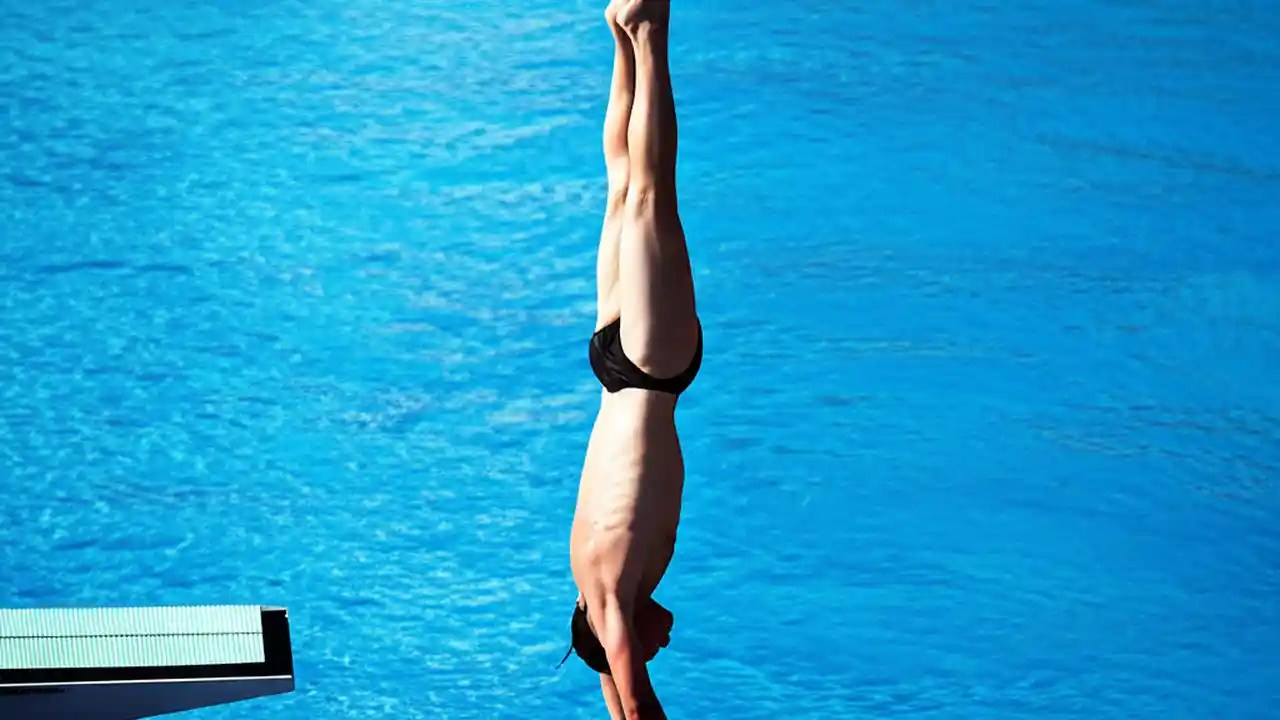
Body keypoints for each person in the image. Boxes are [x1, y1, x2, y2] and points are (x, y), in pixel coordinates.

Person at [564, 1, 698, 718]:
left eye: (641, 653)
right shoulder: (586, 579)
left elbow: (637, 705)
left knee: (650, 192)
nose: (658, 646)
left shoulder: (612, 598)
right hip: (612, 366)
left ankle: (650, 31)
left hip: (649, 367)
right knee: (620, 187)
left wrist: (626, 677)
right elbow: (616, 694)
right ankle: (621, 35)